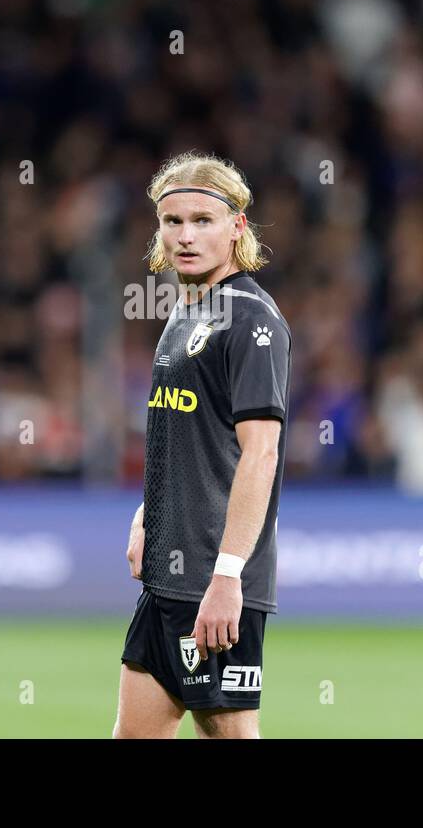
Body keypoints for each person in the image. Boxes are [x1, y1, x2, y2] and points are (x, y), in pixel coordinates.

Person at [115, 152, 292, 739]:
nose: (185, 237)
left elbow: (259, 454)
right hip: (166, 580)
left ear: (237, 227)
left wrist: (228, 578)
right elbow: (180, 438)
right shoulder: (184, 315)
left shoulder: (251, 322)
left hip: (212, 583)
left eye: (202, 220)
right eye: (172, 222)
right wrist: (149, 513)